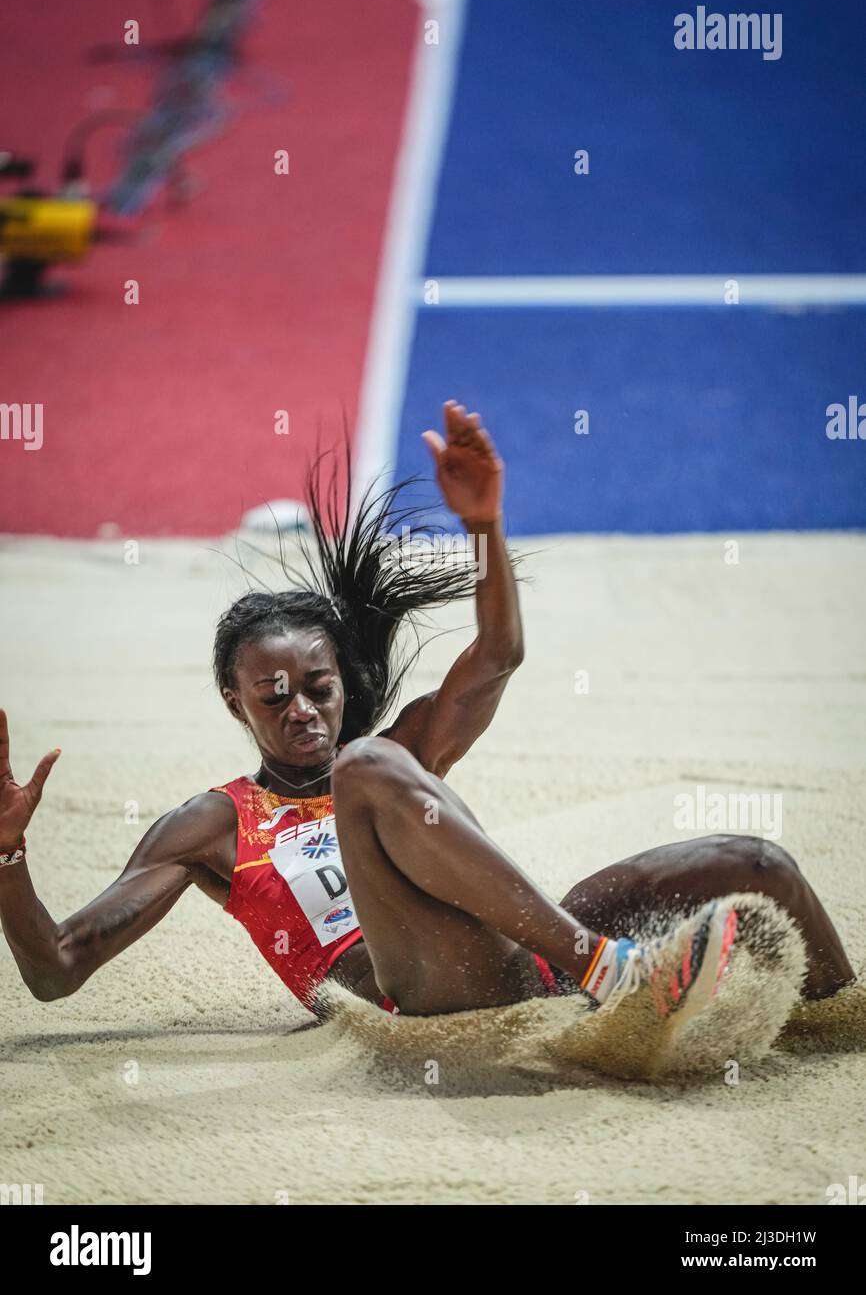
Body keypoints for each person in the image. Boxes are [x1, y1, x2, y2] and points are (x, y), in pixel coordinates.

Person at [0, 402, 854, 1026]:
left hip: (519, 956)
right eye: (273, 695)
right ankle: (602, 966)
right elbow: (56, 969)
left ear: (342, 680)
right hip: (414, 994)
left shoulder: (400, 749)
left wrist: (485, 526)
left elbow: (497, 658)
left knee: (755, 860)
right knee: (362, 769)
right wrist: (6, 854)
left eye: (319, 687)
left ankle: (838, 1024)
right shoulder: (213, 826)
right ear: (236, 702)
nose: (301, 709)